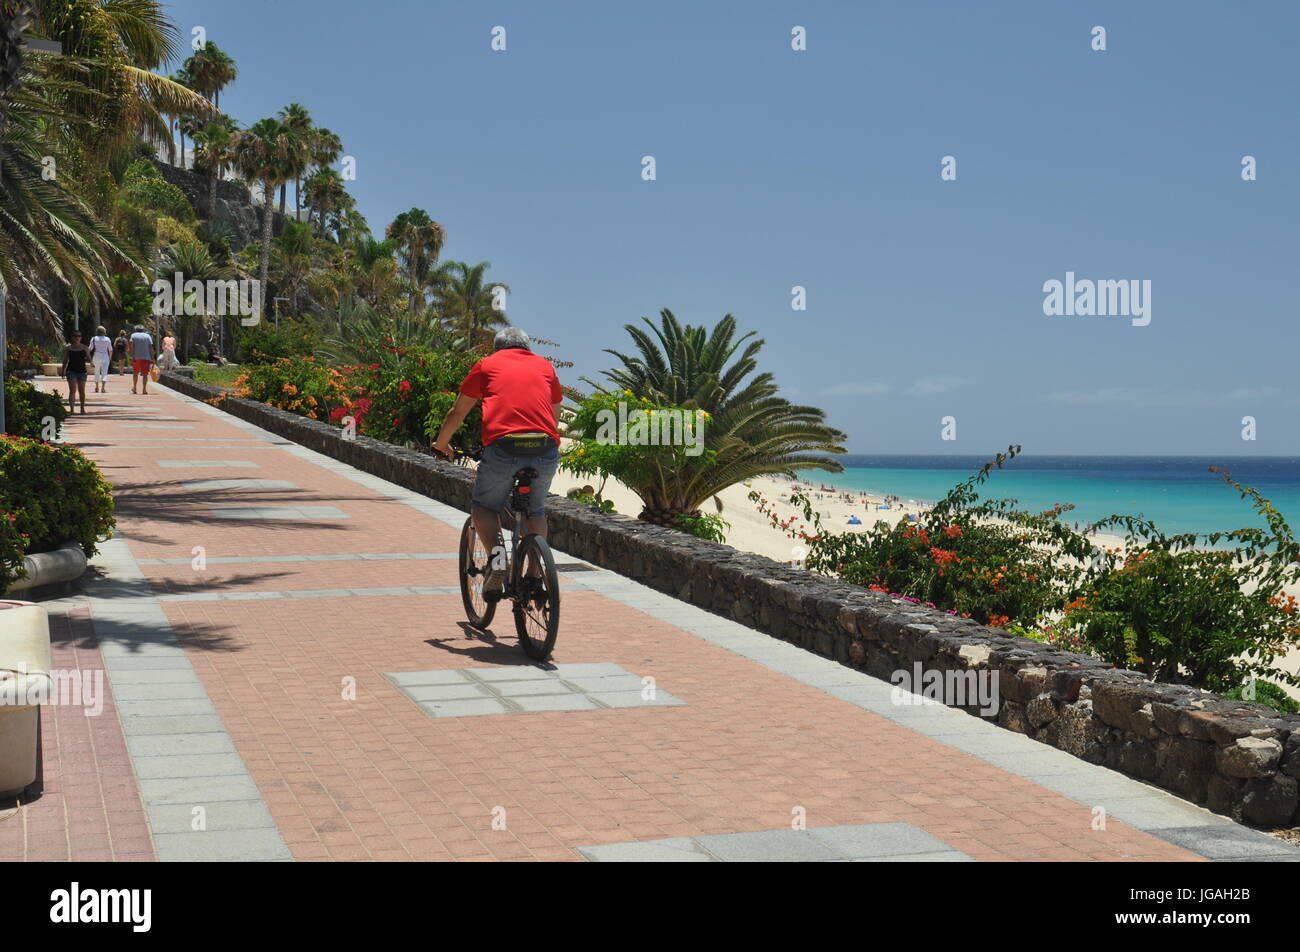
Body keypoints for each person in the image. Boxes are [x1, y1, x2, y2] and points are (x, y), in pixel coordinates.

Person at [430, 327, 562, 595]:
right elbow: (555, 415)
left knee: (484, 508)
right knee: (535, 511)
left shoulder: (487, 365)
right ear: (527, 347)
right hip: (545, 447)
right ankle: (534, 575)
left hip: (504, 447)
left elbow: (457, 412)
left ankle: (498, 559)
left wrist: (441, 444)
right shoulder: (545, 366)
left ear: (498, 347)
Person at [60, 331, 89, 414]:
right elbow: (65, 360)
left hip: (82, 371)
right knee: (72, 390)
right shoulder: (69, 348)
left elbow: (89, 358)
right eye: (75, 336)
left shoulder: (85, 347)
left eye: (79, 336)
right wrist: (63, 371)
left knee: (82, 391)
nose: (77, 337)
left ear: (81, 337)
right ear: (72, 337)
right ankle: (72, 409)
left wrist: (91, 362)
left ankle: (82, 408)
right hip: (71, 371)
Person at [129, 324, 154, 394]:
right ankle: (144, 389)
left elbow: (132, 346)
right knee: (145, 374)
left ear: (135, 329)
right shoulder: (148, 336)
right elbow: (150, 348)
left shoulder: (133, 335)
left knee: (135, 373)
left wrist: (131, 355)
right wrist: (152, 358)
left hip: (136, 357)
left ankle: (134, 388)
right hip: (146, 357)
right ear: (143, 330)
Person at [88, 325, 113, 393]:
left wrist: (89, 359)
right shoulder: (107, 339)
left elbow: (90, 349)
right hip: (105, 356)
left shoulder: (94, 338)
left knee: (96, 371)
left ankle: (96, 387)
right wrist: (110, 358)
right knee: (104, 372)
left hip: (96, 355)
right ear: (104, 331)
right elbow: (110, 350)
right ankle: (103, 388)